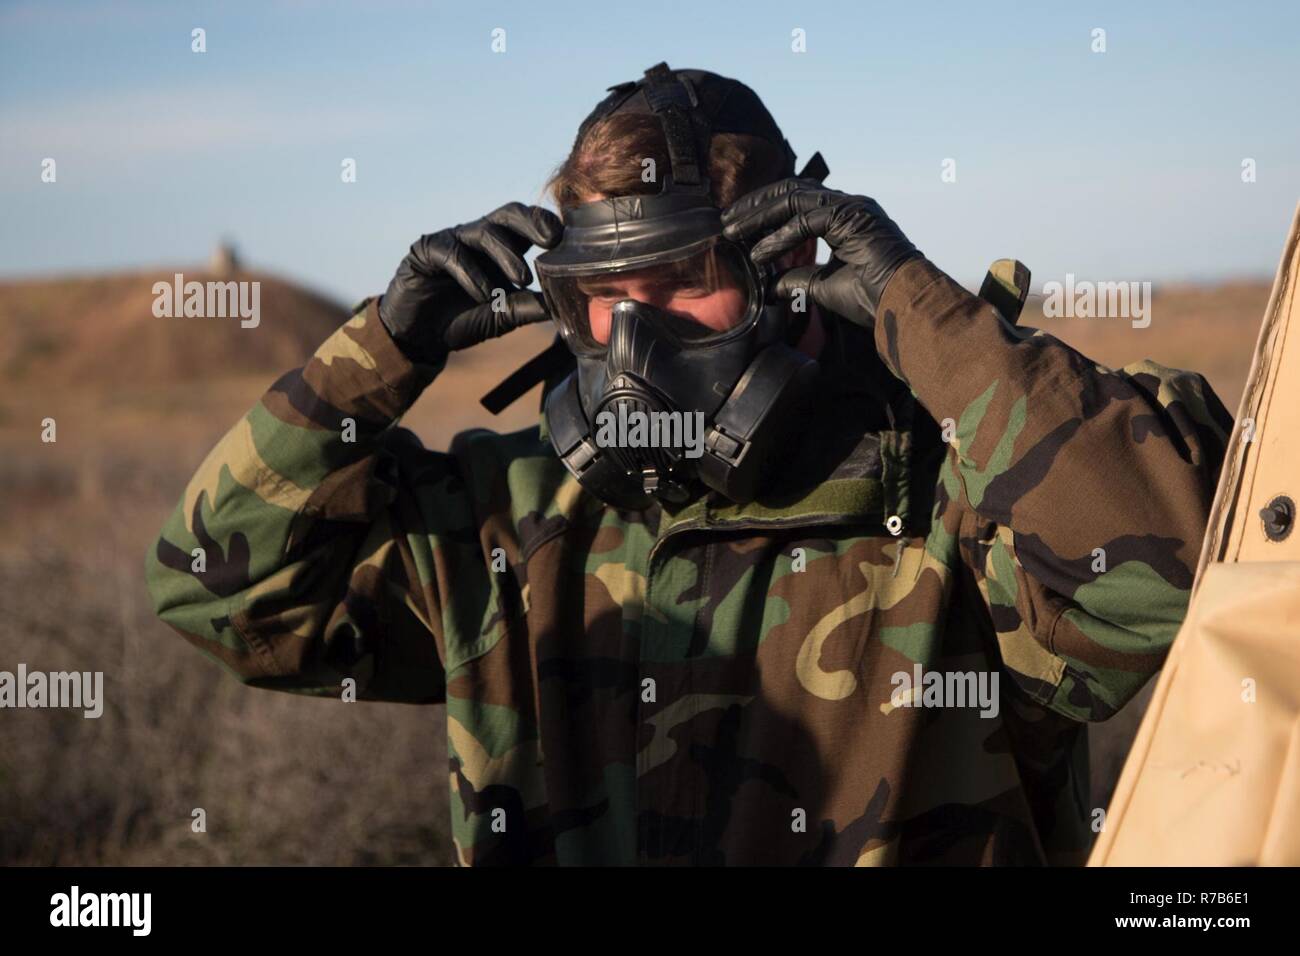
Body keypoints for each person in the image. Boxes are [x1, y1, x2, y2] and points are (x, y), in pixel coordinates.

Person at [145, 63, 1231, 866]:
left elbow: (1156, 586)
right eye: (599, 295)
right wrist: (383, 345)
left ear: (790, 259)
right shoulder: (511, 517)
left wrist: (920, 311)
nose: (630, 338)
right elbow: (219, 588)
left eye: (678, 282)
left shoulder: (957, 489)